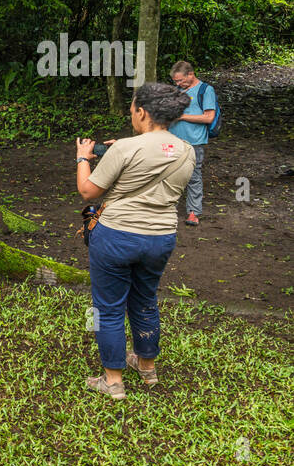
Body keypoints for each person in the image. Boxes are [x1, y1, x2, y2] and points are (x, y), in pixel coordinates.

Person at [76, 83, 194, 399]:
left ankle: (113, 381)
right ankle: (147, 367)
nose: (131, 114)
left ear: (142, 112)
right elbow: (156, 169)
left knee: (109, 308)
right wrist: (124, 149)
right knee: (145, 299)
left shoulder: (124, 148)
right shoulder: (186, 150)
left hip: (117, 236)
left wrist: (83, 158)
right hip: (161, 238)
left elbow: (89, 191)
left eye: (132, 109)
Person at [166, 60, 216, 226]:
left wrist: (182, 116)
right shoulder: (177, 91)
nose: (178, 84)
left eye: (181, 80)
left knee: (193, 176)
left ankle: (193, 212)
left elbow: (209, 117)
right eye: (176, 81)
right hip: (172, 140)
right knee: (168, 173)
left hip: (194, 141)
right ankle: (165, 209)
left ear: (191, 74)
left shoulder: (205, 90)